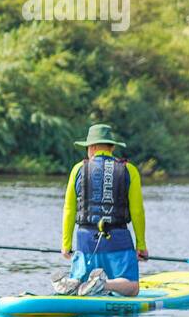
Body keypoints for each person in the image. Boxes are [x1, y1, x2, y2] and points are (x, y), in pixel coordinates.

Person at [57, 123, 148, 297]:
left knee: (82, 283)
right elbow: (137, 211)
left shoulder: (78, 169)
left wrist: (66, 245)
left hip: (85, 241)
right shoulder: (129, 170)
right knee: (132, 287)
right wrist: (141, 246)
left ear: (91, 147)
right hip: (118, 240)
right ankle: (103, 285)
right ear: (112, 147)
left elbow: (69, 208)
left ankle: (75, 283)